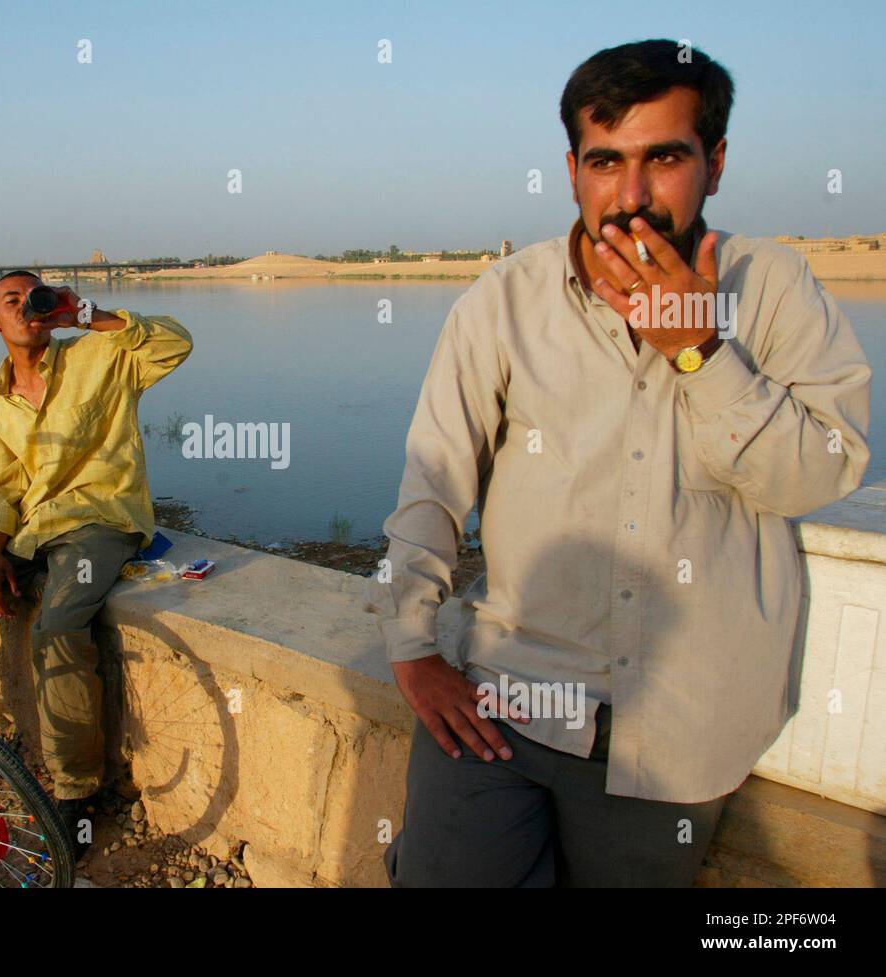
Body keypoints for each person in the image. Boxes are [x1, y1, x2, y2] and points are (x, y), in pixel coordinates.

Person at [367, 39, 870, 887]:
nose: (630, 194)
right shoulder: (503, 303)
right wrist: (413, 646)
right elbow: (432, 485)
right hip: (507, 698)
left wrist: (702, 352)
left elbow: (822, 473)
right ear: (572, 171)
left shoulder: (776, 289)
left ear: (713, 161)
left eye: (663, 158)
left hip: (679, 734)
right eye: (606, 162)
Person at [0, 270, 191, 845]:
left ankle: (77, 790)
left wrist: (83, 314)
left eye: (33, 296)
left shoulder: (100, 358)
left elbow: (174, 343)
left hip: (100, 519)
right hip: (26, 529)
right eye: (12, 301)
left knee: (59, 624)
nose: (26, 308)